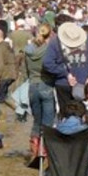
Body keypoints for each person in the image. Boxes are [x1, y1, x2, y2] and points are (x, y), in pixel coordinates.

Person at [23, 24, 54, 167]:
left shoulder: (28, 49)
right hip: (46, 84)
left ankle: (34, 151)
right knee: (48, 122)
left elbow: (25, 71)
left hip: (32, 85)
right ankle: (44, 152)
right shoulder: (49, 49)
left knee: (36, 120)